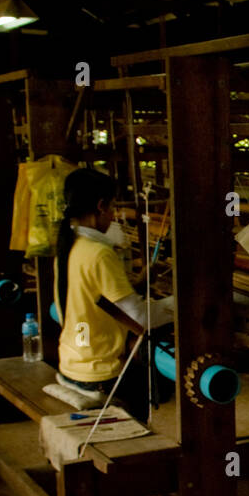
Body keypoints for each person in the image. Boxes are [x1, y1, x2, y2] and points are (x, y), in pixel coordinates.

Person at [53, 168, 173, 409]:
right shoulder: (100, 253)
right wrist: (183, 302)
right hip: (98, 376)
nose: (114, 215)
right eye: (113, 207)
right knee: (165, 386)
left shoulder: (69, 246)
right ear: (101, 206)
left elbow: (95, 298)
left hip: (71, 365)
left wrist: (140, 283)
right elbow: (139, 318)